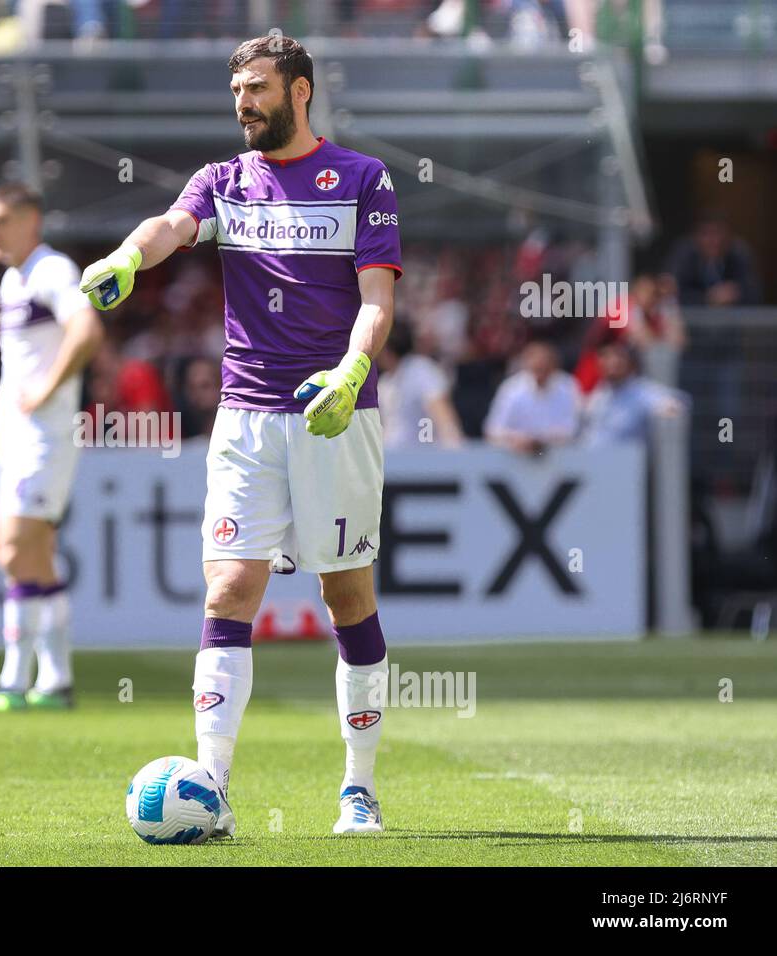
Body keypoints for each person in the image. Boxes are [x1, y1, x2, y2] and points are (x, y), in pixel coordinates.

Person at [79, 35, 401, 835]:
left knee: (345, 593)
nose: (242, 102)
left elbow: (377, 299)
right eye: (235, 90)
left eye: (257, 87)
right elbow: (170, 226)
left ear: (300, 92)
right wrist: (127, 255)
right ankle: (213, 788)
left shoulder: (363, 179)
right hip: (247, 416)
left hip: (336, 413)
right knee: (228, 590)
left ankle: (358, 788)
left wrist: (351, 371)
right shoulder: (223, 180)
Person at [0, 182, 104, 713]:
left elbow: (87, 330)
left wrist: (45, 390)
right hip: (16, 435)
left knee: (11, 549)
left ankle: (13, 680)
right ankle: (56, 681)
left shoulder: (52, 270)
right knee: (36, 557)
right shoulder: (11, 280)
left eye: (1, 220)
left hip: (46, 435)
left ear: (32, 221)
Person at [581, 338, 688, 446]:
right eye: (605, 355)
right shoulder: (598, 392)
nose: (612, 362)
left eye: (618, 355)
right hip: (588, 460)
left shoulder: (641, 392)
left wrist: (669, 408)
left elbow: (677, 403)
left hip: (626, 460)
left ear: (631, 361)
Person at [483, 339, 579, 454]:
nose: (540, 374)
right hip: (515, 458)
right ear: (526, 365)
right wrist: (517, 439)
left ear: (554, 366)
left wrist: (541, 440)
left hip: (561, 457)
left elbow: (574, 429)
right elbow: (493, 430)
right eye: (537, 369)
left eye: (545, 368)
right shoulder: (512, 388)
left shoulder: (568, 386)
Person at [377, 321, 462, 449]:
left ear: (385, 347)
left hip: (420, 462)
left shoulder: (422, 371)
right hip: (391, 461)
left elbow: (444, 421)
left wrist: (457, 459)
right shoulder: (384, 382)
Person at [664, 211, 762, 308]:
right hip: (691, 321)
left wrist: (735, 293)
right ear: (695, 237)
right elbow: (669, 293)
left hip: (733, 320)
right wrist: (708, 298)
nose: (712, 240)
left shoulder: (739, 253)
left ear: (729, 236)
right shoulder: (684, 254)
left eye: (718, 233)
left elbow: (754, 294)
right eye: (705, 234)